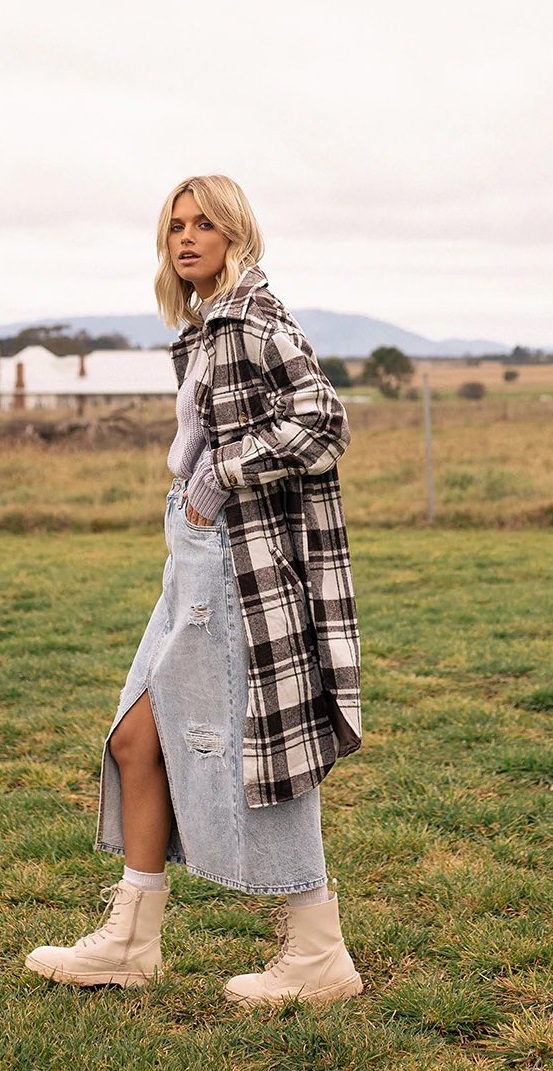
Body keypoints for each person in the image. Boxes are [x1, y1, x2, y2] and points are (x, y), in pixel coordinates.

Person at [25, 175, 363, 1006]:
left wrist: (219, 476)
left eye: (203, 223)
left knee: (250, 745)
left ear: (234, 233)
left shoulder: (252, 317)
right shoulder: (205, 324)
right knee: (136, 737)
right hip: (194, 553)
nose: (186, 238)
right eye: (175, 225)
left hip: (232, 563)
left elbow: (323, 419)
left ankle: (317, 950)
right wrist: (191, 497)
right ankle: (132, 941)